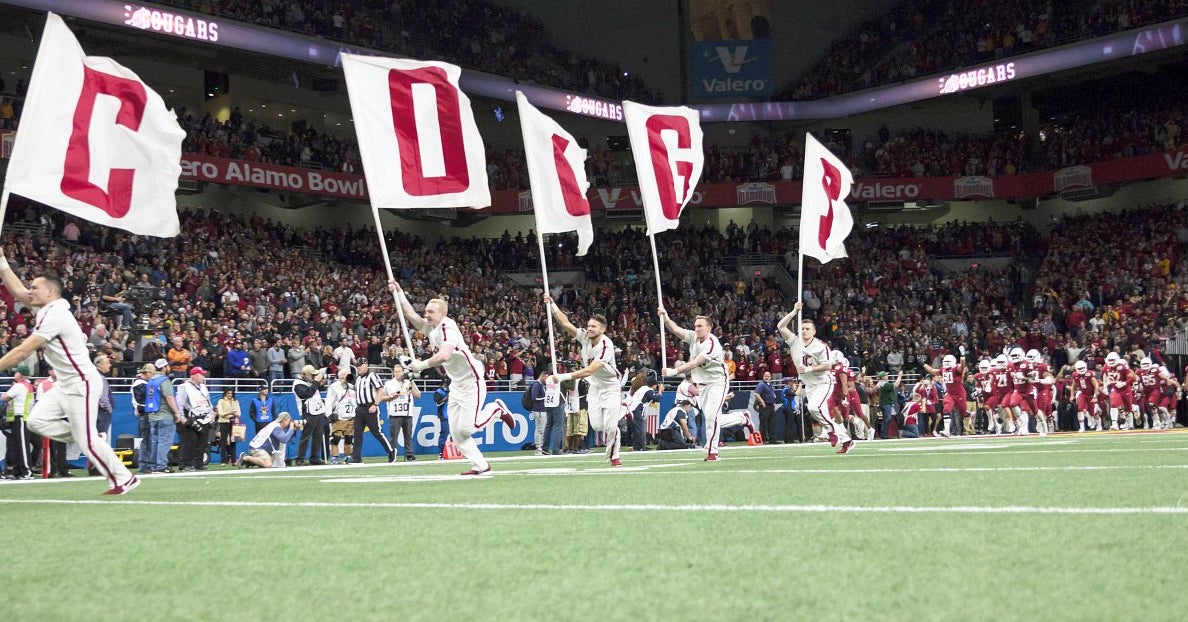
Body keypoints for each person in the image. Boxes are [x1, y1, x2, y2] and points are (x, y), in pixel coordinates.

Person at [0, 252, 137, 493]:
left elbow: (22, 351)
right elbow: (18, 292)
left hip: (81, 382)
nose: (29, 291)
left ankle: (124, 478)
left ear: (50, 293)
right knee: (37, 421)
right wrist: (2, 262)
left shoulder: (56, 314)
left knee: (86, 440)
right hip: (65, 383)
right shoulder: (47, 308)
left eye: (35, 287)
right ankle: (89, 437)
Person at [393, 280, 513, 476]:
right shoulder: (431, 328)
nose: (426, 314)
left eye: (431, 312)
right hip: (456, 383)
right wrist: (399, 293)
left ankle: (497, 409)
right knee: (457, 433)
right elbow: (411, 315)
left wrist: (420, 365)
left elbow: (444, 355)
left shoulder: (448, 327)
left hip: (472, 380)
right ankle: (481, 465)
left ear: (442, 314)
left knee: (470, 427)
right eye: (426, 311)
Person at [660, 308, 755, 460]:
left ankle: (713, 452)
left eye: (700, 326)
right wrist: (665, 317)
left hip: (717, 382)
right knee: (713, 418)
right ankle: (742, 418)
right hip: (702, 384)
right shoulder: (693, 337)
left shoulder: (712, 344)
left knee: (711, 418)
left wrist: (674, 371)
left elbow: (695, 363)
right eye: (695, 326)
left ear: (709, 328)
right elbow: (676, 329)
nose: (696, 328)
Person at [546, 294, 624, 466]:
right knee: (596, 426)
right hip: (595, 388)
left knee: (611, 427)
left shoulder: (606, 345)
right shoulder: (584, 337)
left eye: (593, 326)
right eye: (588, 326)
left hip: (611, 387)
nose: (589, 329)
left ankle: (614, 456)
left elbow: (590, 370)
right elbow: (566, 324)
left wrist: (564, 376)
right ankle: (613, 429)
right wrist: (552, 305)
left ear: (602, 329)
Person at [777, 302, 853, 454]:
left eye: (807, 329)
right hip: (809, 384)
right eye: (802, 328)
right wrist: (794, 311)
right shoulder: (794, 341)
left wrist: (809, 368)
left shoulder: (821, 346)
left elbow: (828, 365)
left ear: (814, 331)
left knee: (813, 408)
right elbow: (781, 326)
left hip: (823, 382)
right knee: (819, 413)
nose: (804, 331)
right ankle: (846, 440)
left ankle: (831, 431)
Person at [351, 360, 396, 464]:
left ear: (366, 365)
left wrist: (375, 404)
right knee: (357, 433)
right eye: (357, 366)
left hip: (370, 407)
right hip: (360, 408)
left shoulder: (372, 376)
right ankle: (356, 458)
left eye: (360, 366)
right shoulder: (358, 379)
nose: (358, 368)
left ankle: (391, 451)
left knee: (376, 432)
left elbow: (380, 390)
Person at [174, 367, 215, 471]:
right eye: (201, 374)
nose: (203, 376)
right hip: (191, 416)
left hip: (204, 416)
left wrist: (212, 413)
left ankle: (198, 463)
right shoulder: (184, 387)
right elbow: (180, 403)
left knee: (202, 442)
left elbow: (208, 401)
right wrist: (182, 417)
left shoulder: (203, 387)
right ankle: (186, 464)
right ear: (194, 375)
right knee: (189, 441)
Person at [380, 362, 421, 461]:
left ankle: (409, 454)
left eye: (399, 371)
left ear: (403, 372)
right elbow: (382, 397)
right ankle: (392, 453)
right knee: (393, 436)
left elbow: (418, 395)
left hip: (407, 413)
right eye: (396, 372)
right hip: (395, 413)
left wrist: (411, 386)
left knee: (408, 435)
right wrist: (391, 397)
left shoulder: (408, 382)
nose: (397, 374)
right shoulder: (389, 384)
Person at [1, 371, 35, 479]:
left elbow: (4, 397)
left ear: (20, 375)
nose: (14, 374)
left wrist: (4, 395)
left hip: (19, 417)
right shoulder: (28, 385)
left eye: (16, 372)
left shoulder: (19, 386)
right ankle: (20, 470)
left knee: (21, 446)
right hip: (23, 417)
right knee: (19, 445)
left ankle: (26, 471)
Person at [293, 364, 329, 465]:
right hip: (308, 412)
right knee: (306, 436)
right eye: (312, 375)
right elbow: (307, 394)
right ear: (305, 375)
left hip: (318, 410)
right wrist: (316, 382)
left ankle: (314, 457)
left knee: (318, 435)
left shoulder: (310, 382)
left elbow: (316, 389)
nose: (313, 377)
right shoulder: (298, 384)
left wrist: (320, 383)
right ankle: (300, 458)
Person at [324, 368, 357, 464]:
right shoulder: (334, 387)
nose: (343, 377)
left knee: (349, 437)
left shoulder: (352, 387)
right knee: (336, 437)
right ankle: (334, 457)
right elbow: (329, 401)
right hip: (339, 416)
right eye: (342, 375)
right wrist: (329, 414)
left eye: (346, 375)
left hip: (351, 416)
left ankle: (348, 456)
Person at [625, 369, 662, 451]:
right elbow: (657, 399)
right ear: (654, 385)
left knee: (634, 429)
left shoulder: (640, 389)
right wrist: (660, 391)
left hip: (631, 409)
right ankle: (640, 447)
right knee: (640, 428)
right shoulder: (647, 389)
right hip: (636, 409)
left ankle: (635, 445)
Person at [215, 389, 242, 465]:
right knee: (223, 442)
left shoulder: (235, 401)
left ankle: (233, 460)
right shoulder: (221, 401)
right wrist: (230, 413)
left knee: (233, 441)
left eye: (231, 393)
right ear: (225, 394)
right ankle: (223, 461)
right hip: (224, 422)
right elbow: (221, 413)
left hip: (233, 423)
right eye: (228, 393)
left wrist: (235, 415)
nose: (230, 395)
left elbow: (239, 413)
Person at [754, 371, 777, 443]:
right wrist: (762, 402)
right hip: (765, 406)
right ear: (763, 377)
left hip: (771, 406)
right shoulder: (761, 384)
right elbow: (756, 394)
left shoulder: (770, 385)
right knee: (763, 423)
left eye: (768, 376)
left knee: (772, 423)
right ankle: (763, 439)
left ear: (770, 377)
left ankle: (772, 439)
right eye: (765, 376)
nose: (767, 377)